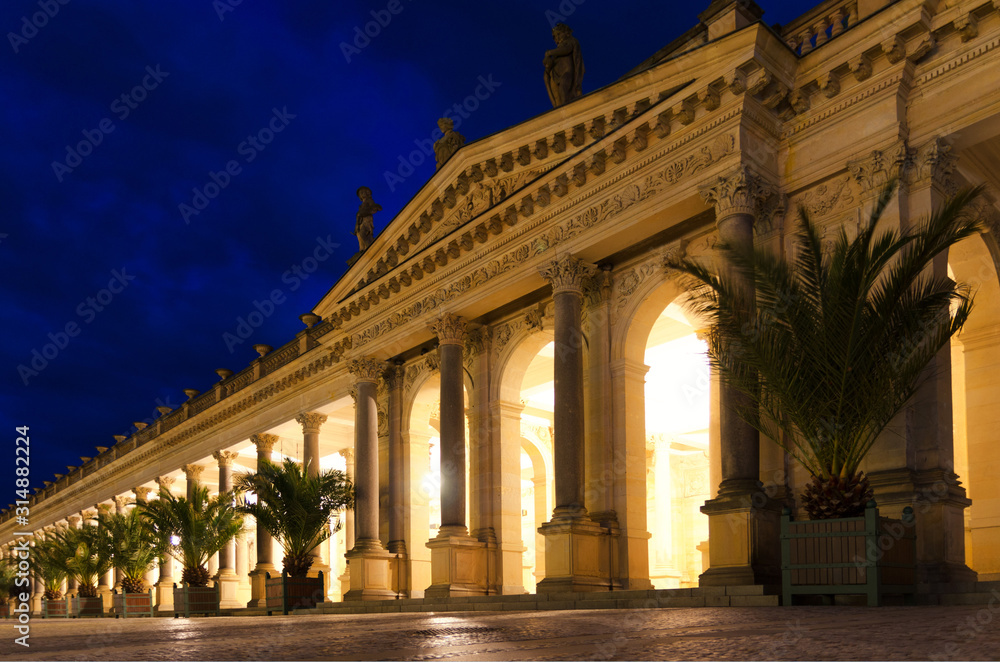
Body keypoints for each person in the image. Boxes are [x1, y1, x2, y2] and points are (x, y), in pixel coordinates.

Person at [544, 23, 584, 107]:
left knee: (563, 88)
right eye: (555, 36)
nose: (557, 37)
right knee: (557, 95)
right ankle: (560, 111)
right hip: (556, 75)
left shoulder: (571, 41)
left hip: (567, 72)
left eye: (559, 34)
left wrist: (550, 52)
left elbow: (566, 49)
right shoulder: (557, 51)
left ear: (566, 33)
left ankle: (567, 109)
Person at [354, 186, 381, 251]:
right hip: (360, 222)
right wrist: (356, 227)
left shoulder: (369, 200)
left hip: (366, 219)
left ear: (367, 193)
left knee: (364, 233)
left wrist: (365, 212)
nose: (362, 194)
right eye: (360, 193)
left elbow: (373, 208)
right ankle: (363, 249)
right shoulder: (361, 206)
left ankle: (369, 247)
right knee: (360, 235)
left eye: (363, 192)